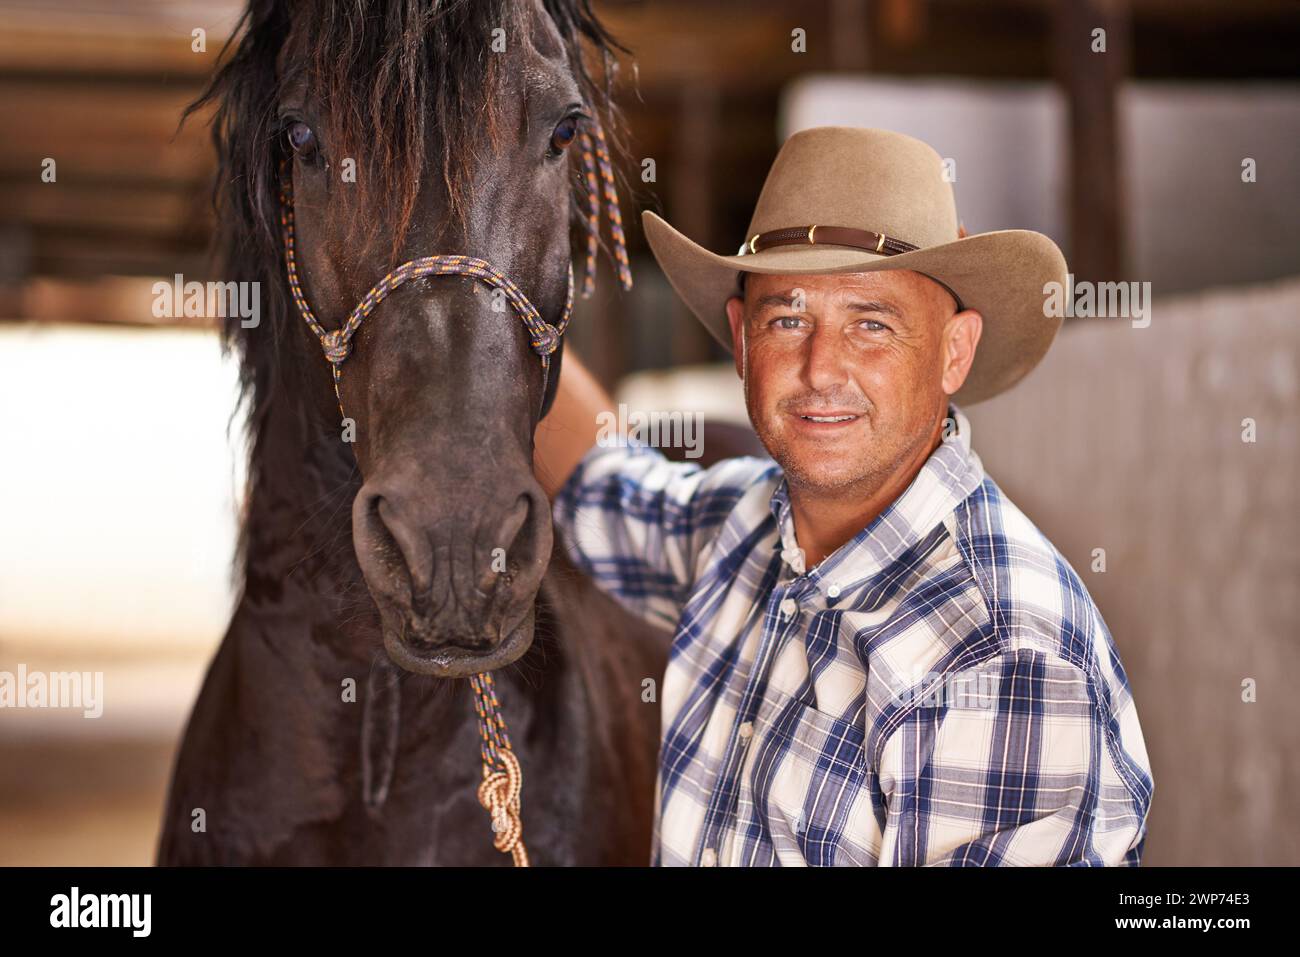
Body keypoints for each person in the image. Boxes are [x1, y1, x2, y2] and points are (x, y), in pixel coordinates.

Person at [533, 127, 1153, 866]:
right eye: (787, 319)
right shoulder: (740, 527)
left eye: (871, 323)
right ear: (741, 340)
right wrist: (483, 297)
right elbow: (594, 476)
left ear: (954, 351)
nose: (821, 368)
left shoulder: (1005, 654)